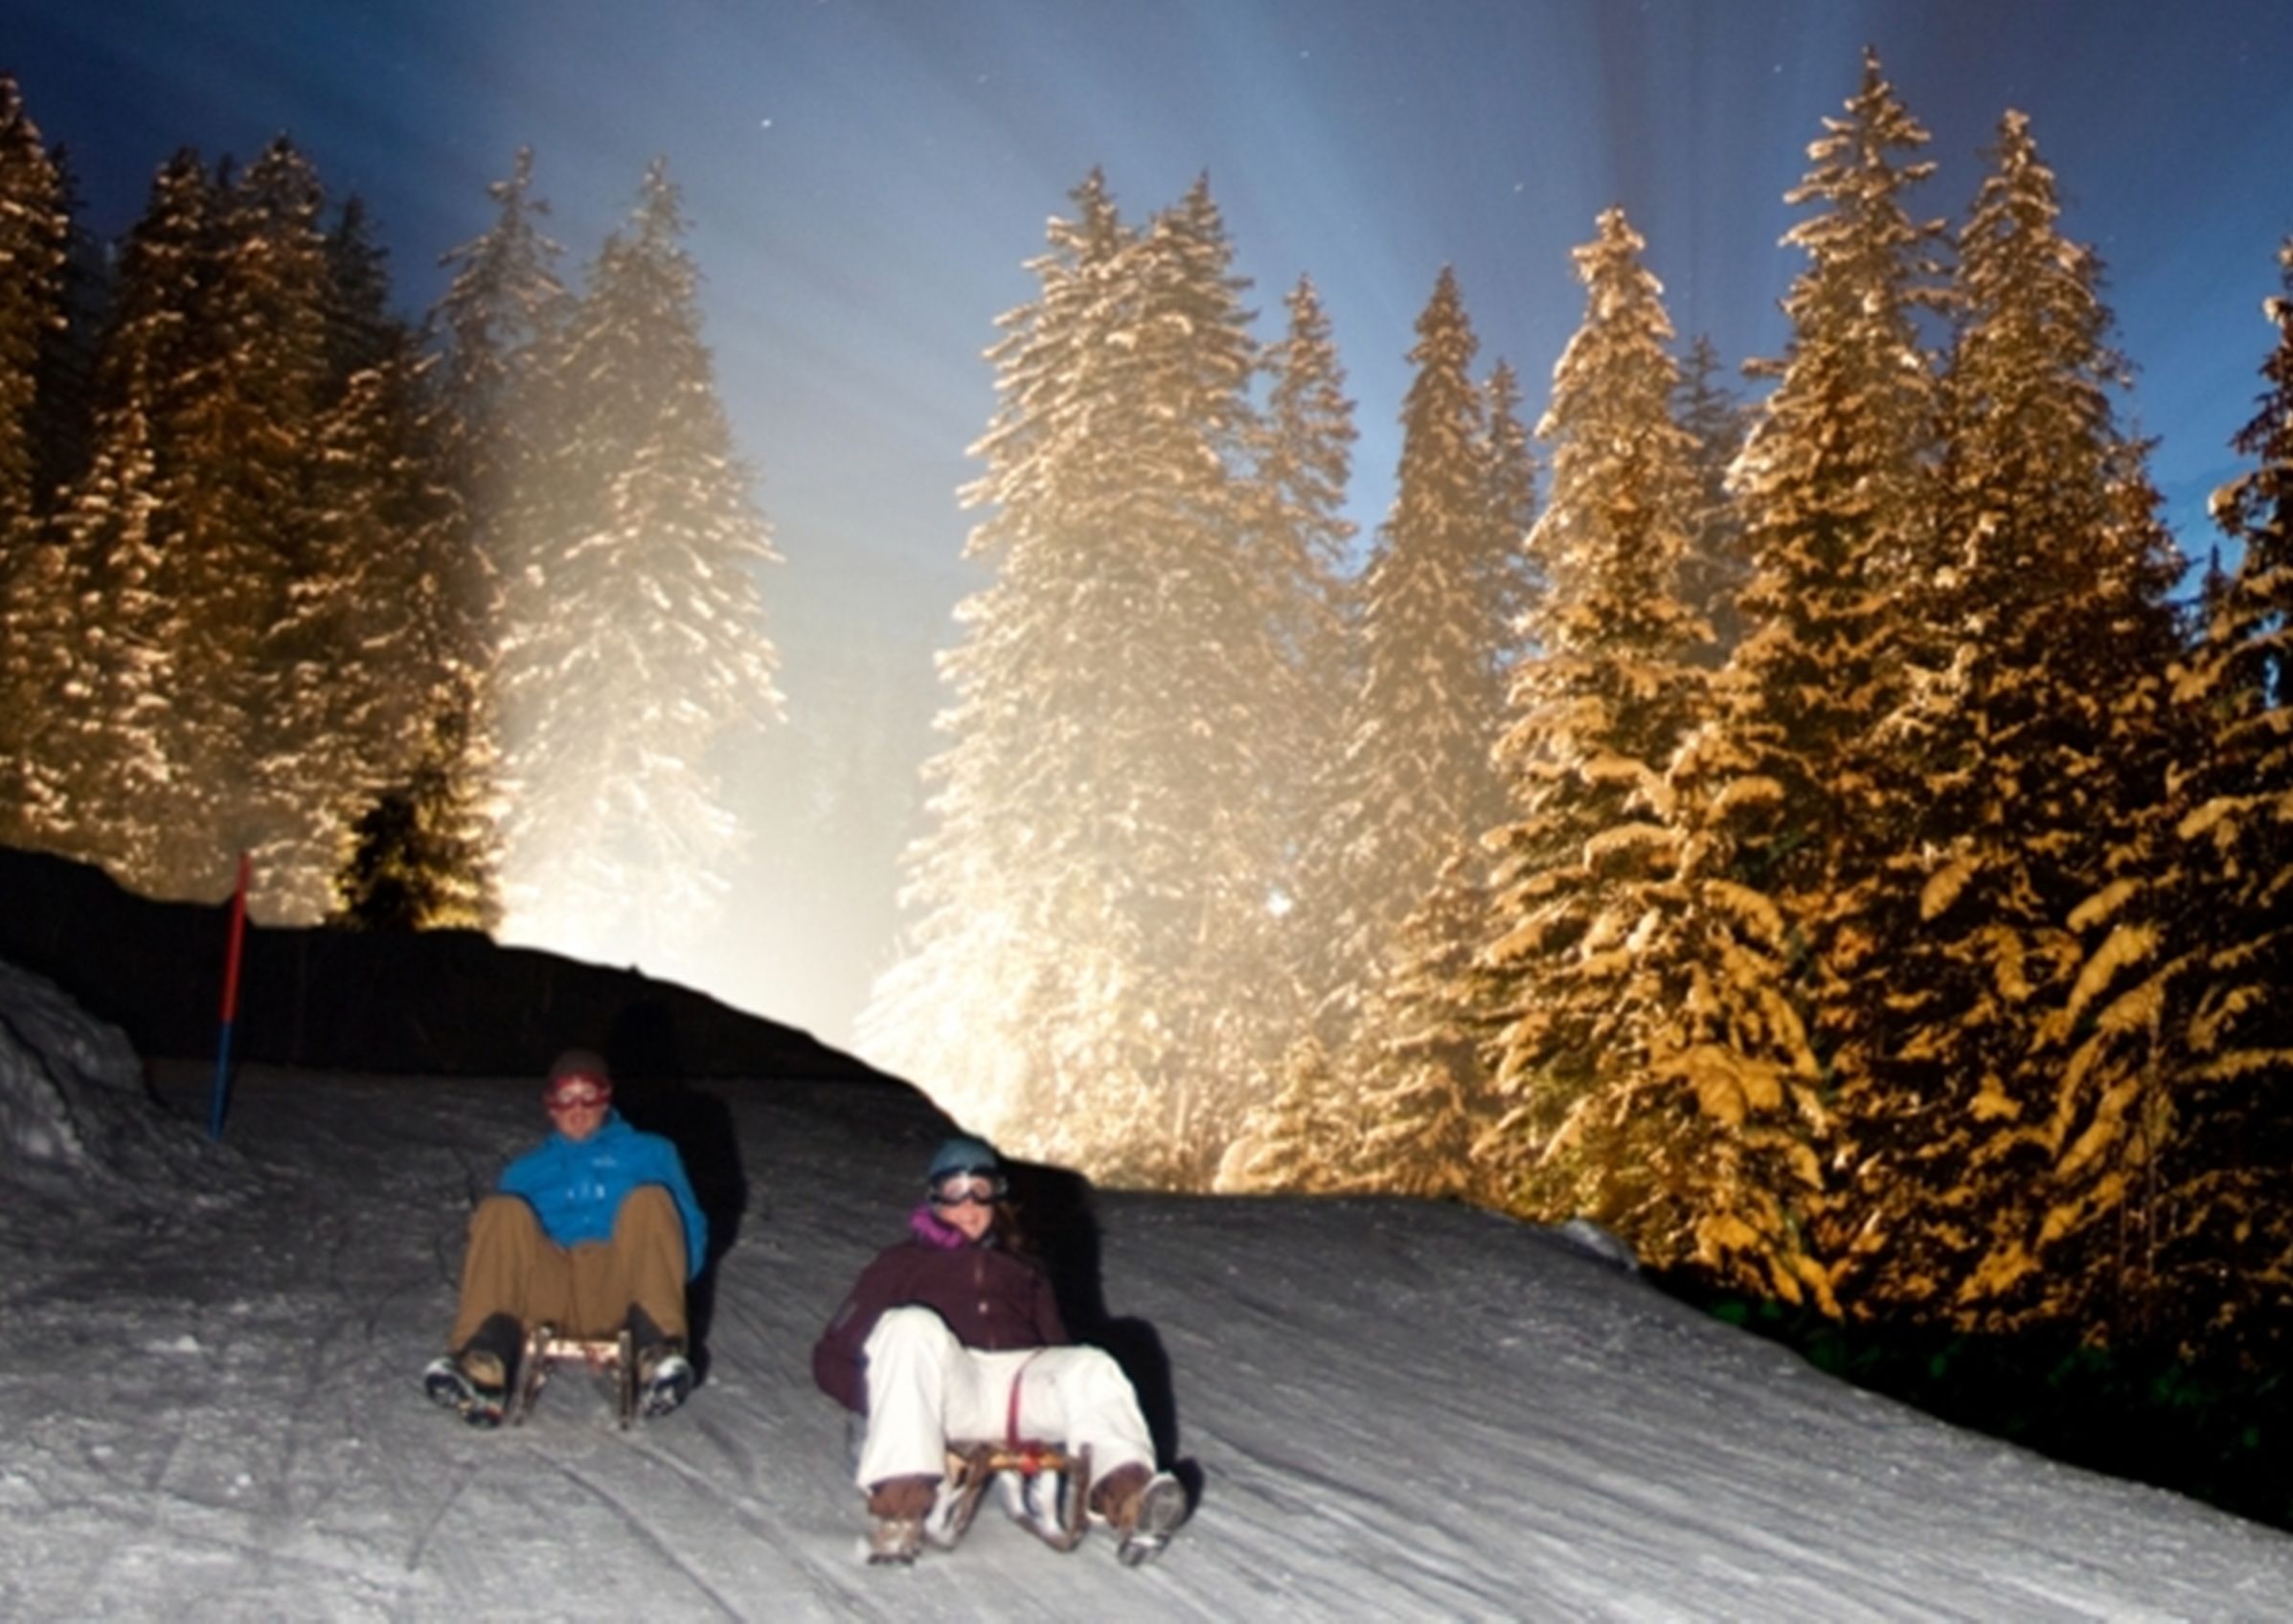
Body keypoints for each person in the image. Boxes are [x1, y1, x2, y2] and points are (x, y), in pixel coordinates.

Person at [812, 1134, 1186, 1566]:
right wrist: (892, 1401)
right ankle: (900, 1512)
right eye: (955, 1191)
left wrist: (1064, 1395)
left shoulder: (1022, 1266)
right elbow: (829, 1359)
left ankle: (1129, 1497)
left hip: (1013, 1391)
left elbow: (1054, 1350)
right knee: (909, 1326)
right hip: (951, 1391)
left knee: (1090, 1366)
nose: (969, 1205)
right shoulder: (900, 1264)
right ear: (934, 1198)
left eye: (981, 1190)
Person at [423, 1049, 707, 1426]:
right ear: (550, 1106)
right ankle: (482, 1363)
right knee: (500, 1210)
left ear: (605, 1099)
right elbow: (498, 1255)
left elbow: (689, 1236)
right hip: (549, 1292)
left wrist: (662, 1274)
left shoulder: (650, 1153)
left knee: (650, 1200)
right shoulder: (526, 1172)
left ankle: (656, 1352)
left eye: (588, 1095)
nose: (577, 1108)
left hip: (621, 1289)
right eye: (565, 1096)